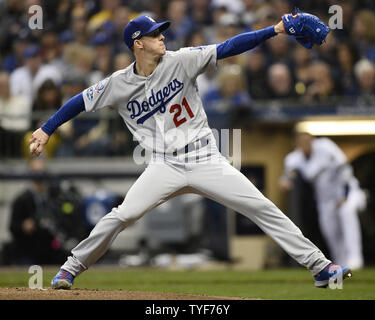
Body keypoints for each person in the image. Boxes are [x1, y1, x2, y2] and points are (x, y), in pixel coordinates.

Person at [29, 15, 350, 290]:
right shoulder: (118, 83)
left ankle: (320, 267)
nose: (161, 36)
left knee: (261, 207)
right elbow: (79, 102)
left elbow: (230, 47)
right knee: (123, 215)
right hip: (163, 165)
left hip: (204, 158)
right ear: (137, 44)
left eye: (160, 31)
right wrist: (46, 128)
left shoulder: (181, 59)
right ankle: (71, 268)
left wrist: (276, 29)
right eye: (154, 34)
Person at [280, 132, 367, 270]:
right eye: (301, 143)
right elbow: (287, 176)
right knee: (330, 231)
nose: (305, 146)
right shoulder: (294, 158)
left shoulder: (326, 146)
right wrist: (286, 182)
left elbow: (344, 169)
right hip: (324, 200)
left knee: (347, 213)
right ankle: (341, 264)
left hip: (347, 193)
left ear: (313, 141)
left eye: (307, 142)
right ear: (296, 145)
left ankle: (355, 258)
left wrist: (344, 196)